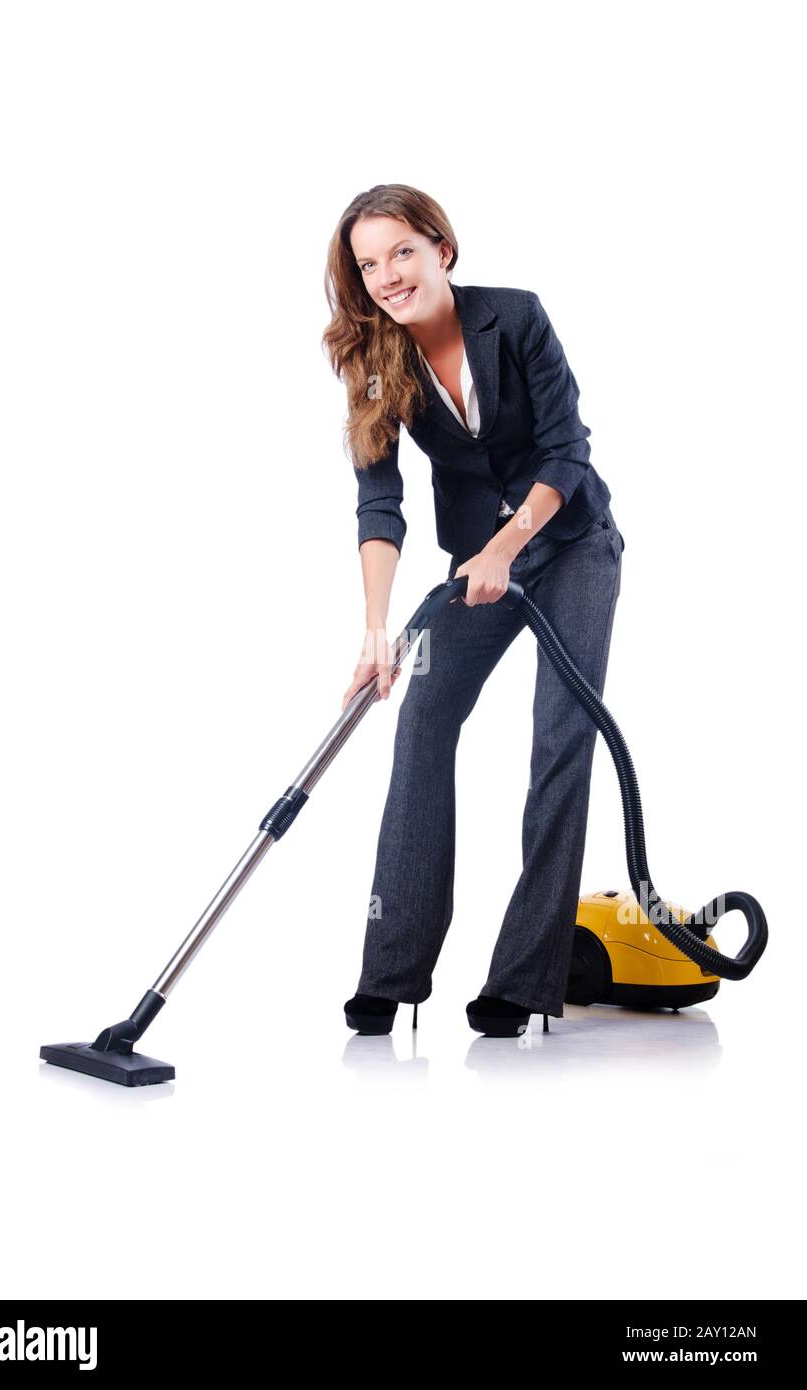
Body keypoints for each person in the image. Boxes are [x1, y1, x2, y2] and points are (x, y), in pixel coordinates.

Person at [322, 184, 624, 1038]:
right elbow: (379, 502)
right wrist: (378, 631)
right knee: (422, 720)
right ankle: (391, 971)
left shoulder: (515, 318)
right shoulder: (371, 361)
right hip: (473, 566)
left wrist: (506, 545)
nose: (386, 275)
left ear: (440, 248)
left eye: (400, 252)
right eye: (368, 263)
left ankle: (523, 981)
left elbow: (567, 449)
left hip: (570, 545)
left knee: (561, 740)